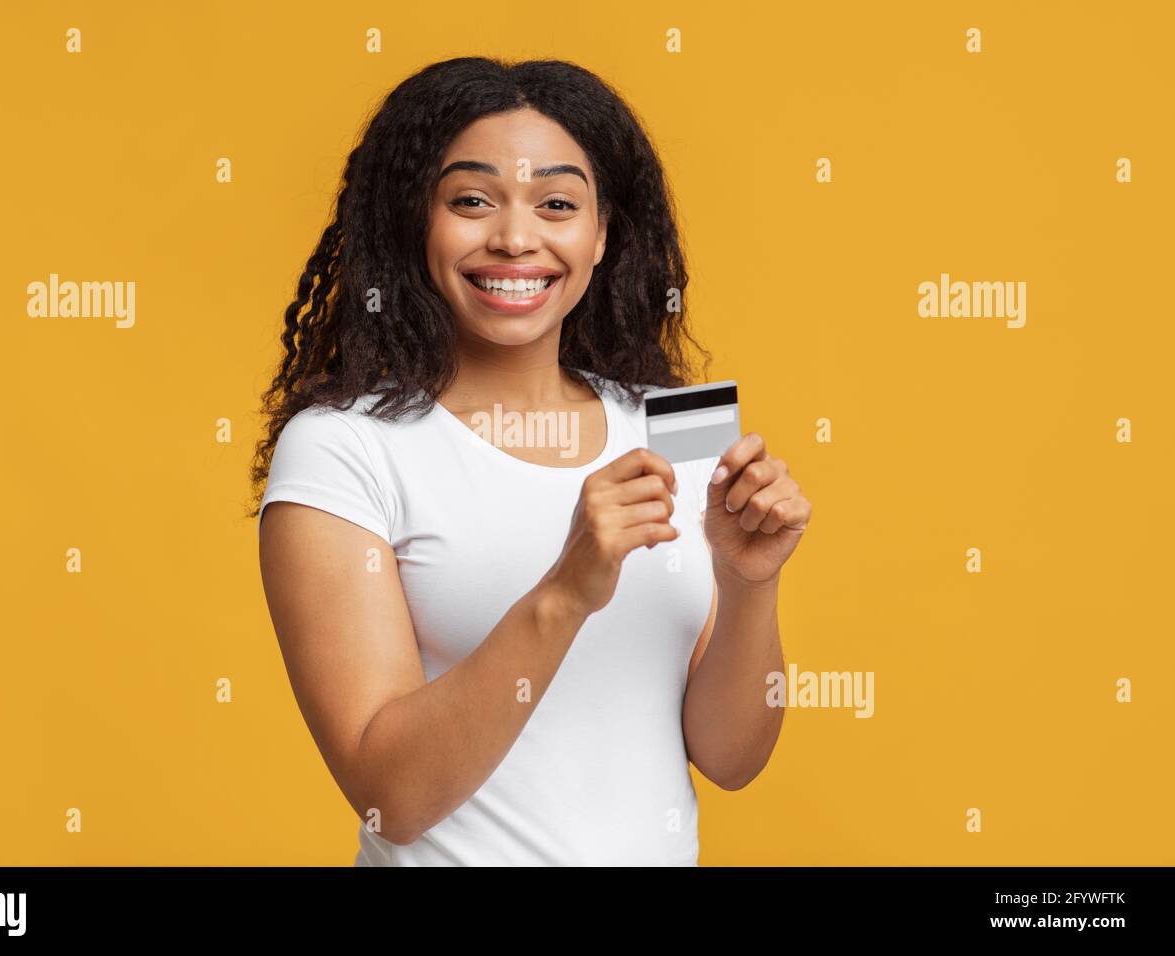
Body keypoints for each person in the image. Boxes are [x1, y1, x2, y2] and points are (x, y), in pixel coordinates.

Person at [251, 57, 812, 866]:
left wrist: (750, 583)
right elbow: (393, 796)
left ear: (602, 233)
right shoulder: (343, 447)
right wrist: (564, 592)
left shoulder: (677, 426)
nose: (516, 238)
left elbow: (732, 759)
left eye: (557, 203)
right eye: (472, 200)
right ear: (419, 222)